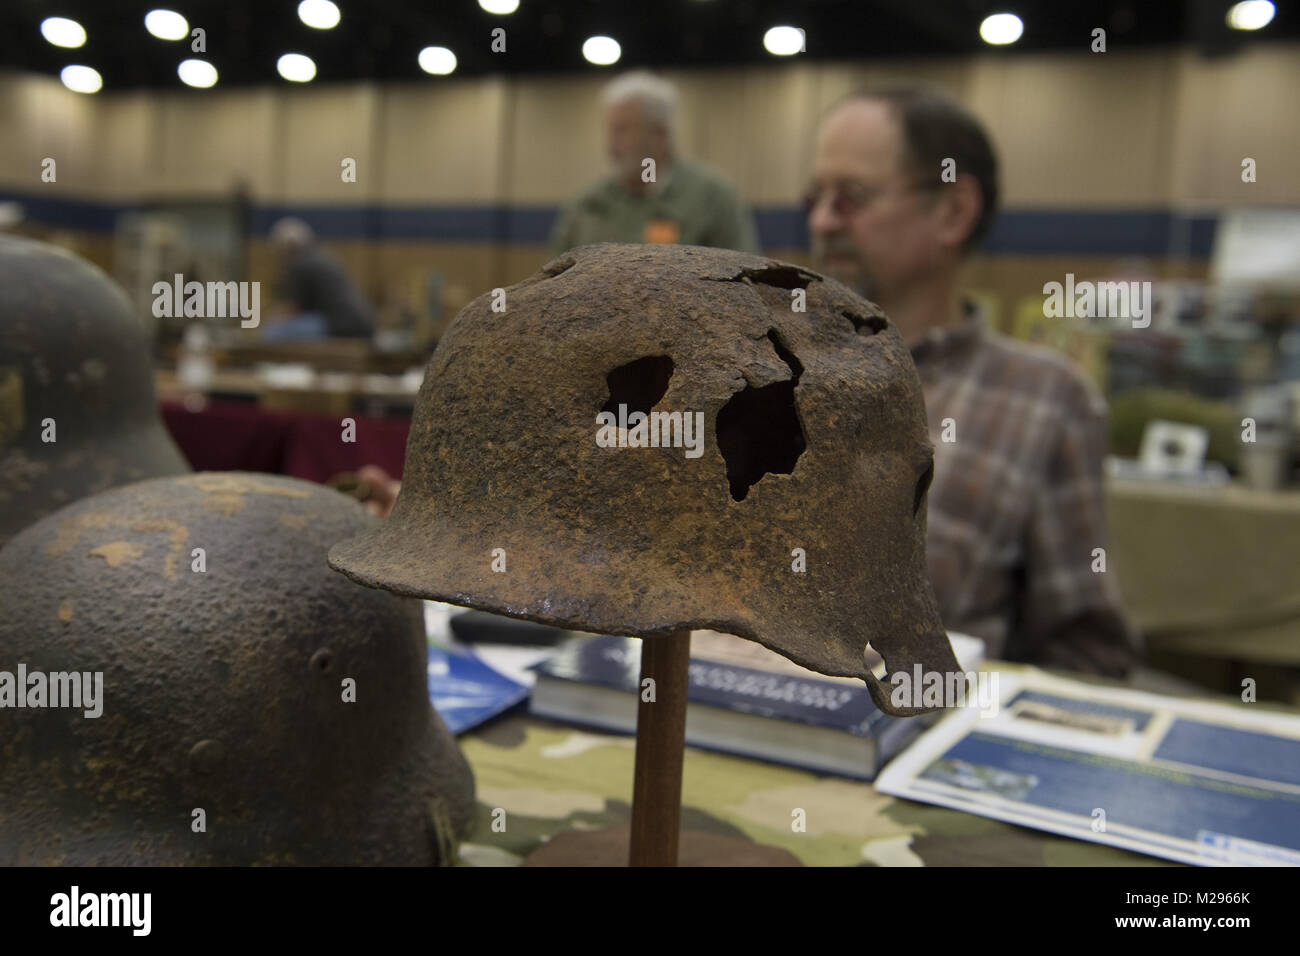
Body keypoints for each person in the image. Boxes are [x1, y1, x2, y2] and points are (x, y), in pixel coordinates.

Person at [807, 85, 1140, 677]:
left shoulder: (1045, 399)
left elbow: (1085, 653)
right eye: (817, 196)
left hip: (914, 742)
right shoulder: (775, 372)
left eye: (851, 197)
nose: (821, 219)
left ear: (953, 211)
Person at [549, 71, 759, 256]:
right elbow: (553, 281)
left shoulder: (713, 199)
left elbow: (746, 279)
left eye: (622, 130)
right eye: (610, 131)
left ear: (660, 134)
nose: (611, 144)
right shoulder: (586, 204)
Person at [263, 217, 375, 341]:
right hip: (363, 324)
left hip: (341, 325)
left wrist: (272, 317)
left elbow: (293, 310)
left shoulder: (300, 265)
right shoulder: (322, 256)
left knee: (273, 331)